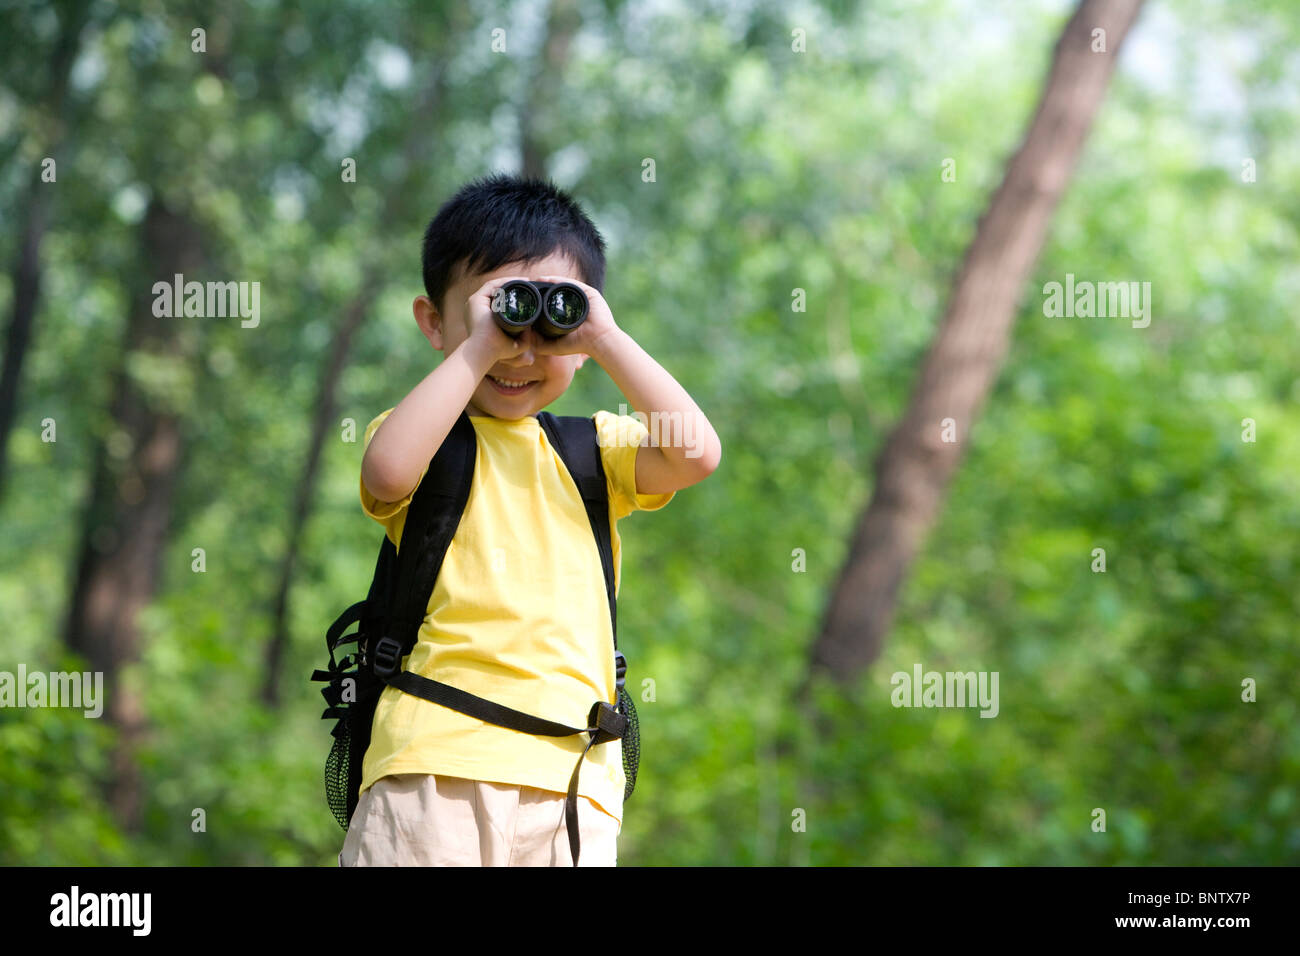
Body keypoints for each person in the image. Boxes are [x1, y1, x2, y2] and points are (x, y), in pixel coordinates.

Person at [338, 173, 721, 866]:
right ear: (434, 322)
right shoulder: (424, 439)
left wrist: (603, 338)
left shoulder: (594, 451)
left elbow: (696, 453)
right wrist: (478, 347)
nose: (523, 350)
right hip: (434, 766)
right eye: (500, 316)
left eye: (554, 323)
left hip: (574, 783)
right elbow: (387, 474)